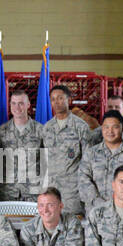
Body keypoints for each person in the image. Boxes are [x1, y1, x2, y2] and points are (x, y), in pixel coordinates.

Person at [40, 84, 95, 217]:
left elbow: (89, 162)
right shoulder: (47, 128)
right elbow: (43, 161)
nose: (56, 102)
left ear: (68, 100)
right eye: (53, 99)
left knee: (73, 229)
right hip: (51, 190)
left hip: (73, 193)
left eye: (60, 98)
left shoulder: (81, 127)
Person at [79, 110, 123, 214]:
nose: (110, 131)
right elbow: (83, 180)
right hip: (96, 213)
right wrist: (99, 203)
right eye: (106, 127)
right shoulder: (90, 154)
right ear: (102, 129)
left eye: (115, 127)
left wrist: (119, 204)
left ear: (122, 129)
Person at [0, 89, 43, 202]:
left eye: (21, 103)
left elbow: (47, 162)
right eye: (13, 103)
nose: (17, 107)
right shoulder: (1, 131)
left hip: (34, 193)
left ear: (28, 105)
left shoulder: (41, 130)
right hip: (8, 192)